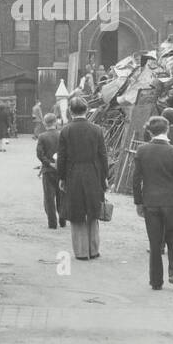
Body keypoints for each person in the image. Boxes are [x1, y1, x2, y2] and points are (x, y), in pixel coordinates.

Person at [132, 115, 173, 291]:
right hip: (172, 203)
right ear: (167, 130)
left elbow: (136, 179)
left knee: (155, 242)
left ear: (149, 131)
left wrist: (139, 202)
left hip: (151, 202)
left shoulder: (142, 151)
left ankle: (156, 281)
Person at [56, 95, 108, 260]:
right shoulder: (97, 130)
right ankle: (94, 250)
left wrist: (62, 177)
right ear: (86, 110)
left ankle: (81, 251)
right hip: (93, 172)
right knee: (93, 210)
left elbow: (62, 158)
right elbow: (103, 156)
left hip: (73, 173)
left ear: (70, 111)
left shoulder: (66, 131)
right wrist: (104, 176)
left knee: (77, 212)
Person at [36, 113, 64, 229]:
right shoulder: (61, 135)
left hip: (48, 170)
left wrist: (49, 163)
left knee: (49, 197)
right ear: (55, 122)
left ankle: (52, 223)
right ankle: (63, 220)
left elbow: (39, 154)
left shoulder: (42, 136)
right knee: (61, 196)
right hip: (61, 170)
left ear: (44, 123)